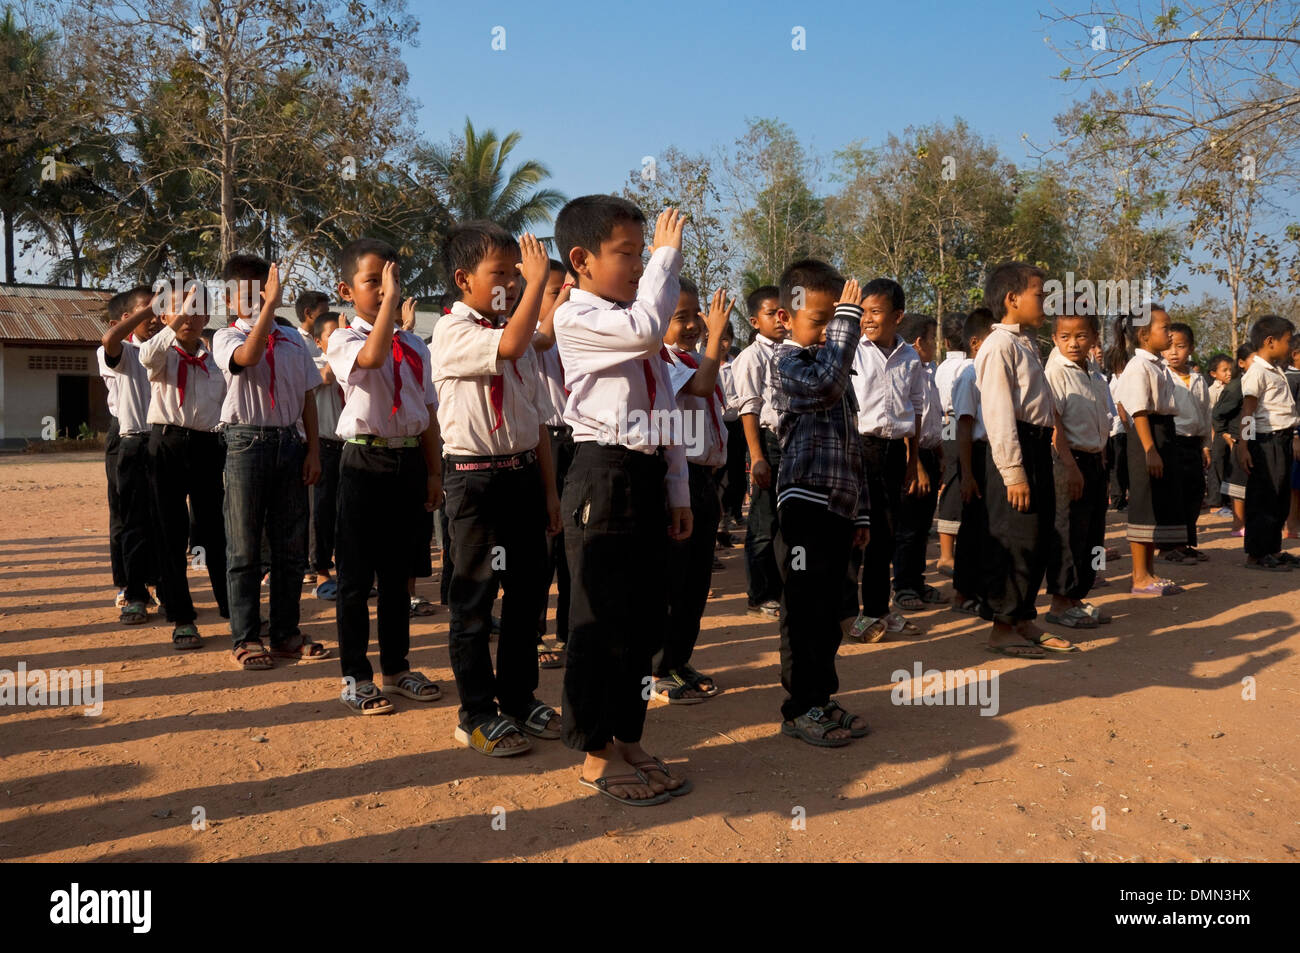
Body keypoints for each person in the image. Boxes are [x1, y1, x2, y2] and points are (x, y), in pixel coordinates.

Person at [552, 197, 692, 806]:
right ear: (580, 260)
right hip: (601, 474)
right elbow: (646, 328)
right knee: (599, 622)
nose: (640, 266)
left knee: (643, 623)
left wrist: (677, 488)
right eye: (627, 254)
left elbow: (666, 412)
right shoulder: (578, 319)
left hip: (646, 474)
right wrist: (667, 256)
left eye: (643, 253)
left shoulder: (637, 322)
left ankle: (628, 736)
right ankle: (594, 753)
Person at [432, 222, 561, 753]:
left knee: (528, 595)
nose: (512, 281)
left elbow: (535, 425)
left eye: (517, 272)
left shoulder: (518, 334)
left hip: (521, 474)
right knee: (475, 598)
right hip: (474, 479)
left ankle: (519, 697)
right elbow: (509, 344)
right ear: (464, 279)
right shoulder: (452, 331)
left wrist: (550, 493)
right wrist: (537, 285)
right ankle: (476, 712)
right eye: (501, 273)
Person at [328, 238, 443, 713]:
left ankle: (396, 668)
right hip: (363, 462)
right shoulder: (344, 339)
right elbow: (372, 361)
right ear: (346, 289)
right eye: (372, 282)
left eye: (389, 281)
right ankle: (356, 676)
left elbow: (429, 412)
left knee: (398, 578)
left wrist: (434, 471)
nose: (383, 290)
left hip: (408, 462)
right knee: (356, 579)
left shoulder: (416, 345)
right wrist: (390, 308)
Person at [770, 261, 870, 746]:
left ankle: (822, 697)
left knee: (829, 610)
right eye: (823, 319)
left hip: (838, 506)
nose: (833, 329)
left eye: (839, 320)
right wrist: (850, 321)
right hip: (804, 505)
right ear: (786, 317)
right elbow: (825, 385)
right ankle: (800, 707)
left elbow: (855, 445)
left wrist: (862, 511)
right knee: (804, 609)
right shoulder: (787, 364)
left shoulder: (837, 367)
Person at [213, 255, 327, 670]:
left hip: (289, 443)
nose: (258, 297)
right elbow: (248, 357)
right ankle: (246, 636)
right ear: (229, 297)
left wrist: (313, 450)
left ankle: (285, 634)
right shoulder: (225, 336)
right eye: (245, 291)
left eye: (262, 288)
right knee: (243, 548)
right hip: (246, 443)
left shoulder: (296, 341)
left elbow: (308, 397)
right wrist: (267, 310)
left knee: (290, 549)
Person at [975, 263, 1074, 657]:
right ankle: (1002, 626)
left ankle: (1022, 618)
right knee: (1015, 537)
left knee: (1037, 534)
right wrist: (1013, 472)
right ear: (1012, 299)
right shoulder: (998, 346)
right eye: (1039, 293)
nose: (1045, 301)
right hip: (1012, 453)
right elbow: (998, 412)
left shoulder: (1027, 344)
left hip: (1036, 447)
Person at [133, 282, 229, 648]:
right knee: (169, 531)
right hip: (167, 443)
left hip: (208, 445)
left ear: (207, 315)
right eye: (180, 309)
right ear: (164, 315)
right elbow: (145, 359)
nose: (189, 316)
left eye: (197, 309)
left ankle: (229, 604)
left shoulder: (216, 357)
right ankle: (182, 616)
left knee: (214, 528)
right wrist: (173, 324)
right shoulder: (161, 353)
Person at [655, 277, 734, 704]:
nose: (690, 325)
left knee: (696, 580)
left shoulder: (693, 357)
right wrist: (717, 336)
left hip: (703, 481)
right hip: (676, 481)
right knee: (671, 580)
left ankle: (679, 658)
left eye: (695, 315)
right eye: (678, 316)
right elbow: (700, 386)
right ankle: (658, 667)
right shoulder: (661, 359)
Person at [845, 278, 925, 643]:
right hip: (859, 450)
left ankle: (878, 609)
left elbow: (917, 408)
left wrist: (913, 460)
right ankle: (848, 614)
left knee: (885, 535)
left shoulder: (910, 356)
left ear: (898, 316)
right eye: (863, 312)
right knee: (854, 534)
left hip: (894, 453)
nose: (868, 319)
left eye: (876, 312)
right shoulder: (853, 351)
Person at [1043, 311, 1112, 630]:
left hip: (1095, 460)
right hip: (1069, 461)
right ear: (1055, 338)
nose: (1073, 343)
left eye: (1081, 336)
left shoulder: (1093, 370)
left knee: (1092, 532)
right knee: (1067, 532)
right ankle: (1059, 602)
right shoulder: (1056, 370)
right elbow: (1055, 421)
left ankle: (1077, 596)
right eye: (1065, 337)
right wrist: (1070, 466)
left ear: (1094, 338)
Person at [1112, 306, 1186, 595]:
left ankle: (1150, 573)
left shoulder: (1158, 365)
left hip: (1163, 432)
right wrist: (1149, 450)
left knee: (1157, 503)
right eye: (1165, 328)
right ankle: (1139, 575)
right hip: (1147, 435)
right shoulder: (1138, 366)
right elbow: (1138, 411)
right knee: (1144, 504)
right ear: (1144, 335)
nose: (1170, 332)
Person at [99, 286, 161, 626]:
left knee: (163, 517)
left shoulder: (166, 349)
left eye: (157, 311)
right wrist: (147, 311)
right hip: (128, 438)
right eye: (145, 312)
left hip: (162, 439)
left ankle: (160, 582)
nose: (153, 318)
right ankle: (130, 586)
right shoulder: (121, 351)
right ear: (126, 319)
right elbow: (110, 340)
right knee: (127, 518)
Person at [731, 285, 789, 617]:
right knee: (763, 524)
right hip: (768, 445)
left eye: (784, 313)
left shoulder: (793, 351)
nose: (781, 320)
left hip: (794, 445)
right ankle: (760, 594)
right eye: (772, 314)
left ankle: (783, 587)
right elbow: (749, 410)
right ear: (755, 321)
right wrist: (757, 458)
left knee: (788, 523)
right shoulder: (752, 358)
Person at [530, 258, 572, 667]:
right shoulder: (527, 334)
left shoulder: (577, 331)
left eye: (567, 288)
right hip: (546, 442)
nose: (565, 296)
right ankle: (535, 633)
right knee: (543, 542)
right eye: (554, 290)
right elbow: (541, 341)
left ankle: (569, 632)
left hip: (578, 442)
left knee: (575, 543)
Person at [1235, 315, 1300, 570]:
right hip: (1265, 443)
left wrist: (1293, 437)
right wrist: (1244, 446)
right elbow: (1248, 412)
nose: (1290, 347)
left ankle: (1273, 549)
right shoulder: (1257, 372)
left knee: (1280, 498)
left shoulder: (1276, 371)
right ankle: (1257, 554)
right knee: (1264, 498)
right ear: (1270, 341)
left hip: (1281, 441)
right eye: (1287, 341)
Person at [892, 312, 944, 610]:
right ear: (918, 341)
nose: (936, 344)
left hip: (929, 452)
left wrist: (939, 456)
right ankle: (903, 587)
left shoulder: (930, 371)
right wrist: (917, 465)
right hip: (912, 456)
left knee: (923, 525)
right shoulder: (907, 370)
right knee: (908, 527)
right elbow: (905, 419)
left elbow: (933, 418)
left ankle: (917, 580)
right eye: (932, 338)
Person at [950, 308, 994, 617]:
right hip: (975, 456)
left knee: (991, 526)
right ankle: (962, 593)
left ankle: (985, 588)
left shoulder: (996, 371)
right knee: (974, 525)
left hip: (995, 454)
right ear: (977, 343)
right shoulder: (970, 375)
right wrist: (966, 473)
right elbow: (964, 426)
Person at [1161, 322, 1213, 562]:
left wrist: (1205, 444)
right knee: (1173, 495)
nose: (1173, 352)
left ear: (1190, 348)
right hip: (1172, 442)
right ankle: (1169, 546)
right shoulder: (1161, 375)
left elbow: (1205, 412)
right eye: (1169, 346)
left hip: (1193, 443)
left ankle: (1185, 543)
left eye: (1180, 346)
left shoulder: (1198, 379)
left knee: (1194, 492)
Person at [308, 312, 344, 600]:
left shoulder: (354, 363)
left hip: (351, 447)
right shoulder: (315, 364)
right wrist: (344, 346)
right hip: (323, 446)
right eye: (334, 335)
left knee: (348, 513)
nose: (340, 339)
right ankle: (321, 572)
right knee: (322, 512)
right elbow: (328, 377)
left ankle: (348, 571)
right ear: (319, 342)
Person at [933, 313, 969, 576]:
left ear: (945, 341)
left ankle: (950, 553)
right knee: (955, 480)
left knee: (954, 479)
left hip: (947, 422)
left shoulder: (941, 368)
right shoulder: (968, 367)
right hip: (957, 422)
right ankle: (946, 555)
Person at [1213, 345, 1256, 534]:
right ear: (1242, 363)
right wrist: (1226, 434)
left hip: (1255, 437)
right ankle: (1238, 525)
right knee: (1238, 483)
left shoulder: (1260, 380)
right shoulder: (1238, 385)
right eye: (1254, 361)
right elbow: (1218, 413)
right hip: (1240, 437)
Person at [715, 324, 747, 543]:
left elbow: (743, 394)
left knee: (734, 477)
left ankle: (725, 522)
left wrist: (731, 405)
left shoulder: (736, 366)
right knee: (715, 477)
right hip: (712, 426)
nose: (721, 344)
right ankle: (717, 528)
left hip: (734, 427)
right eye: (717, 338)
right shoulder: (703, 364)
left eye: (726, 339)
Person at [1204, 353, 1234, 513]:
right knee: (1216, 467)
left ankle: (1229, 501)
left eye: (1231, 369)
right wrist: (1210, 440)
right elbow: (1209, 416)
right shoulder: (1212, 391)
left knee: (1230, 467)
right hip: (1217, 435)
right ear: (1214, 374)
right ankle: (1216, 503)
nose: (1229, 373)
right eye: (1225, 370)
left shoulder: (1235, 388)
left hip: (1232, 435)